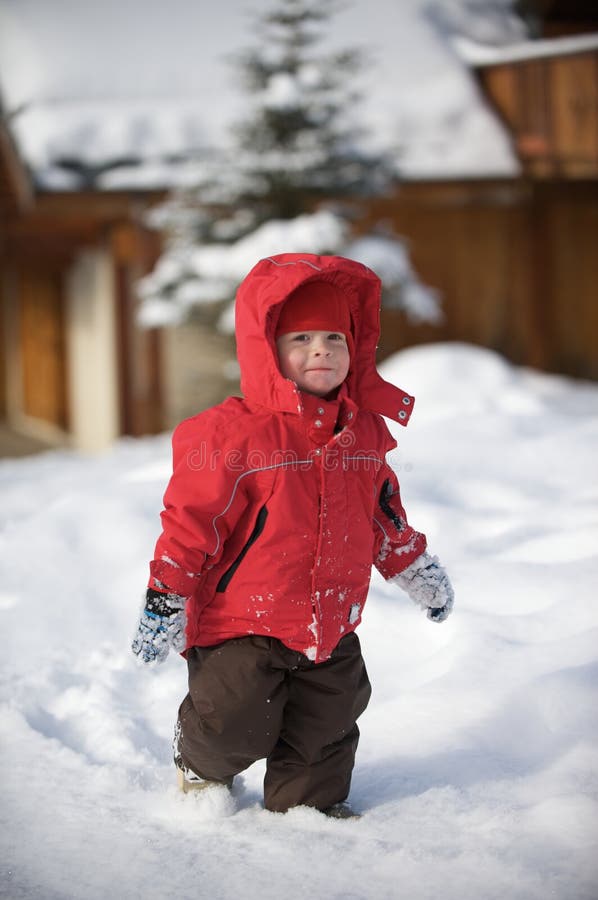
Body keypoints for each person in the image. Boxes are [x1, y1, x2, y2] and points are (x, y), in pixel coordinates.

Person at [132, 253, 454, 818]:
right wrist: (166, 597)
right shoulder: (234, 435)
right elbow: (191, 525)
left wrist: (414, 569)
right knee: (234, 720)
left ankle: (306, 814)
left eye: (334, 336)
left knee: (327, 722)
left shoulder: (361, 434)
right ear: (268, 350)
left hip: (331, 618)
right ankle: (200, 766)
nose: (321, 350)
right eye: (300, 338)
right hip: (240, 622)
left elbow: (384, 515)